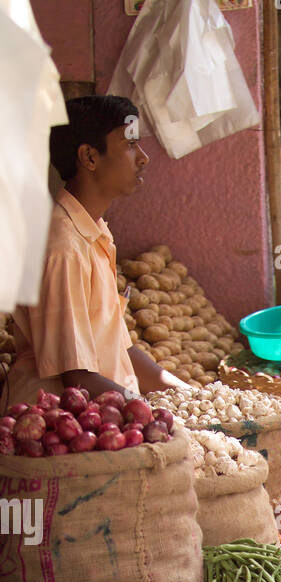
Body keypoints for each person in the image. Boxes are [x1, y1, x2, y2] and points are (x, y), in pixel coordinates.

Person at [7, 95, 189, 406]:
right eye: (130, 145)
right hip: (56, 423)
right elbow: (76, 375)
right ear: (90, 157)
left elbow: (122, 349)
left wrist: (189, 395)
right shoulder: (64, 245)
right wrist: (146, 407)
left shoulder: (96, 231)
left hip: (106, 410)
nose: (143, 157)